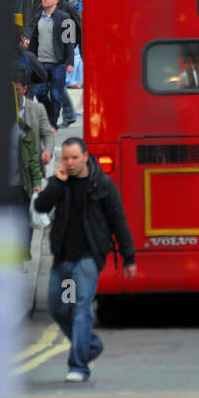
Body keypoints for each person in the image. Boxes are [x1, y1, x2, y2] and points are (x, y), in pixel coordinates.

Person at [35, 137, 136, 382]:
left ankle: (78, 366)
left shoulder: (102, 185)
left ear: (86, 157)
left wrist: (128, 257)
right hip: (63, 258)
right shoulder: (61, 182)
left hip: (88, 258)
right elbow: (40, 206)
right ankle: (90, 346)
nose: (69, 163)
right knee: (58, 308)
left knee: (81, 309)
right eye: (66, 158)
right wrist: (57, 183)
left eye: (74, 158)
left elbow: (118, 221)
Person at [28, 0, 79, 129]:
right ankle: (50, 116)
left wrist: (70, 62)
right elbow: (32, 37)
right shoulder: (37, 16)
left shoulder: (65, 18)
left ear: (55, 1)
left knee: (57, 95)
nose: (44, 0)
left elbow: (69, 41)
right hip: (40, 62)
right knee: (40, 93)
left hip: (58, 63)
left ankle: (52, 123)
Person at [10, 82, 43, 260]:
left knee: (23, 220)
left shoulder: (25, 131)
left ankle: (23, 251)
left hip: (21, 185)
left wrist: (37, 183)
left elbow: (33, 159)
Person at [11, 68, 55, 176]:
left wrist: (47, 152)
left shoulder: (37, 109)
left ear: (25, 89)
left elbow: (48, 134)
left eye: (17, 90)